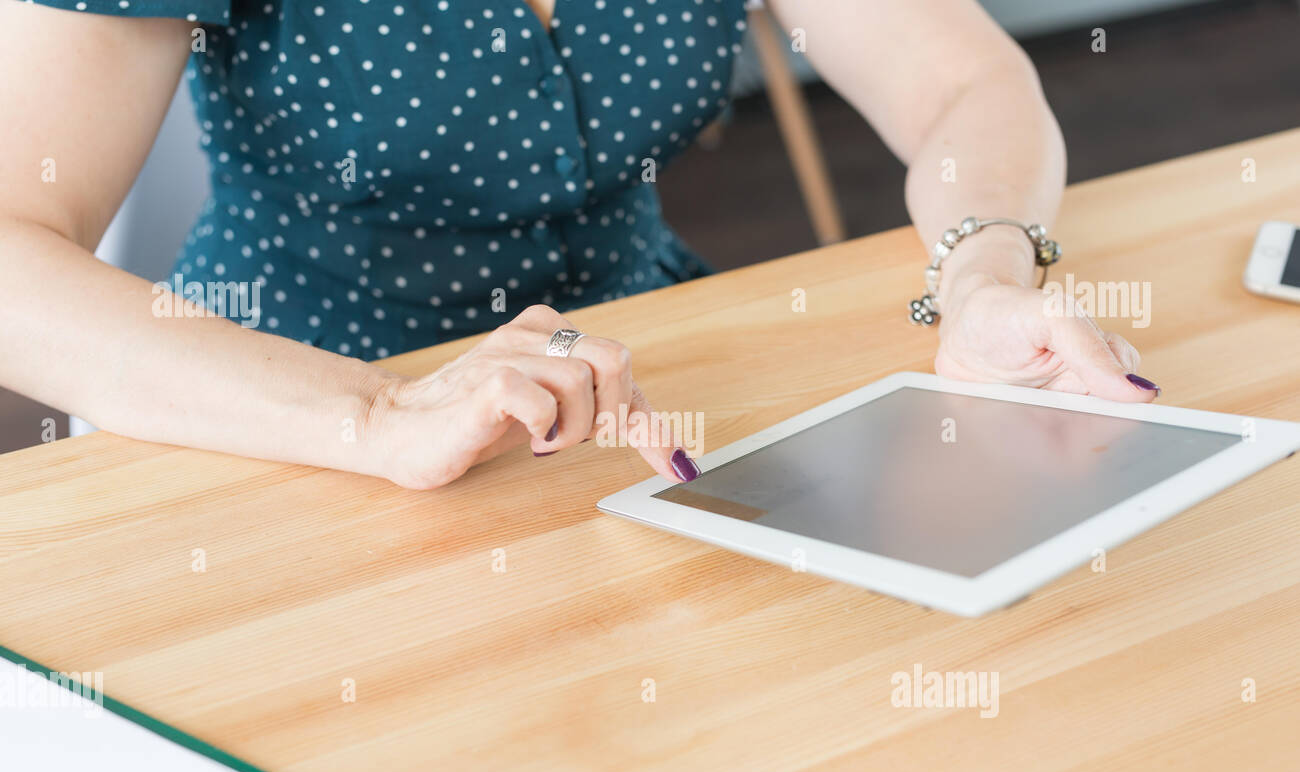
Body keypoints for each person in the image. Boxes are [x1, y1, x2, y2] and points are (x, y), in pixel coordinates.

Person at [0, 0, 1158, 490]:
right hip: (283, 417)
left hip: (646, 396)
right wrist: (373, 415)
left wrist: (981, 276)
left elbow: (961, 79)